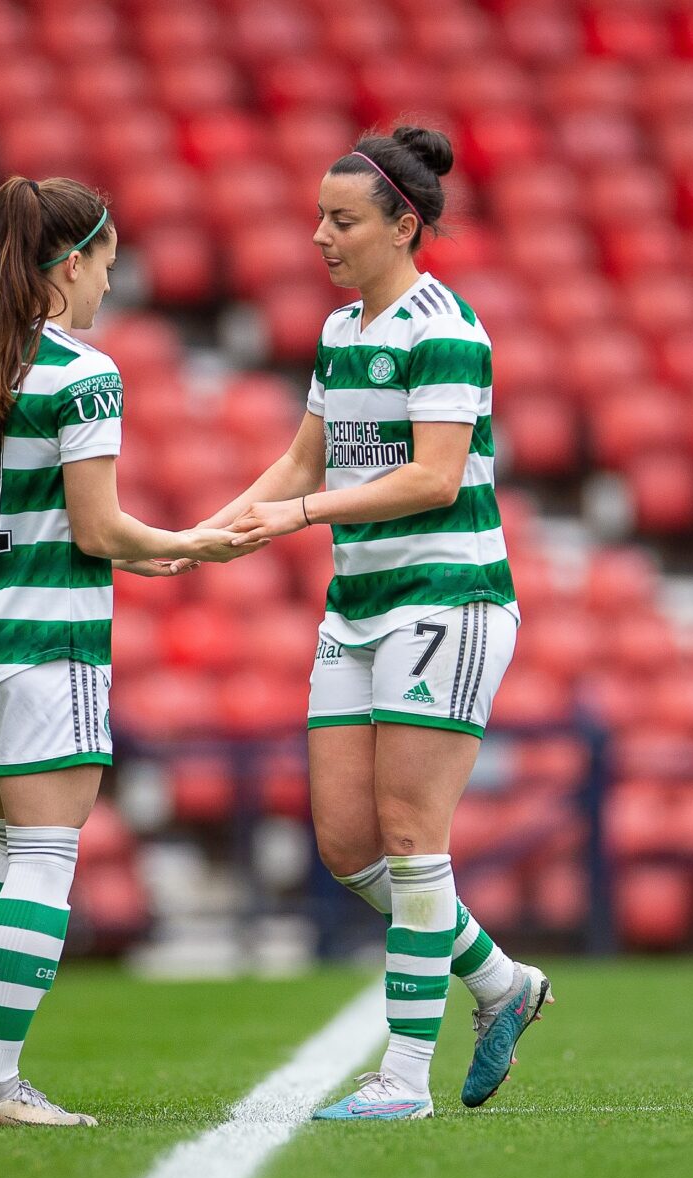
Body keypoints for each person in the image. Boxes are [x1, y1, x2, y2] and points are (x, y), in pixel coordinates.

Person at [205, 126, 552, 1120]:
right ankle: (499, 985)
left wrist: (299, 516)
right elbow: (304, 461)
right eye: (319, 215)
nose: (319, 235)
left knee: (409, 836)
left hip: (448, 597)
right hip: (359, 604)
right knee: (347, 845)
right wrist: (215, 529)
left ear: (404, 225)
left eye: (341, 218)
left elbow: (436, 476)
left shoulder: (444, 326)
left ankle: (403, 1079)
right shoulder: (340, 331)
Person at [0, 175, 254, 1128]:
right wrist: (188, 543)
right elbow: (99, 528)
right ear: (70, 265)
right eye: (106, 265)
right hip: (48, 643)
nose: (110, 285)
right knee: (45, 853)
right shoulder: (82, 373)